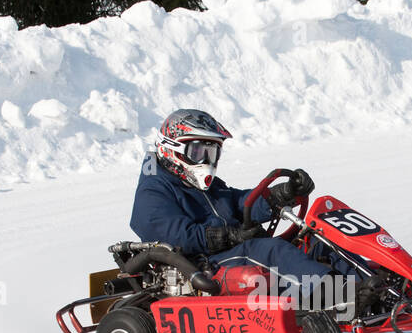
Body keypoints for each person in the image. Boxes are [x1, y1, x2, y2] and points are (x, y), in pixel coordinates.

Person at [129, 108, 360, 309]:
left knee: (316, 239)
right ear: (173, 149)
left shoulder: (199, 184)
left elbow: (239, 203)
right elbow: (175, 235)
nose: (206, 160)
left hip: (230, 251)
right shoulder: (153, 192)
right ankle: (339, 298)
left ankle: (369, 288)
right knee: (272, 250)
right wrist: (227, 236)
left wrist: (283, 193)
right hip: (202, 264)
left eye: (212, 152)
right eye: (198, 152)